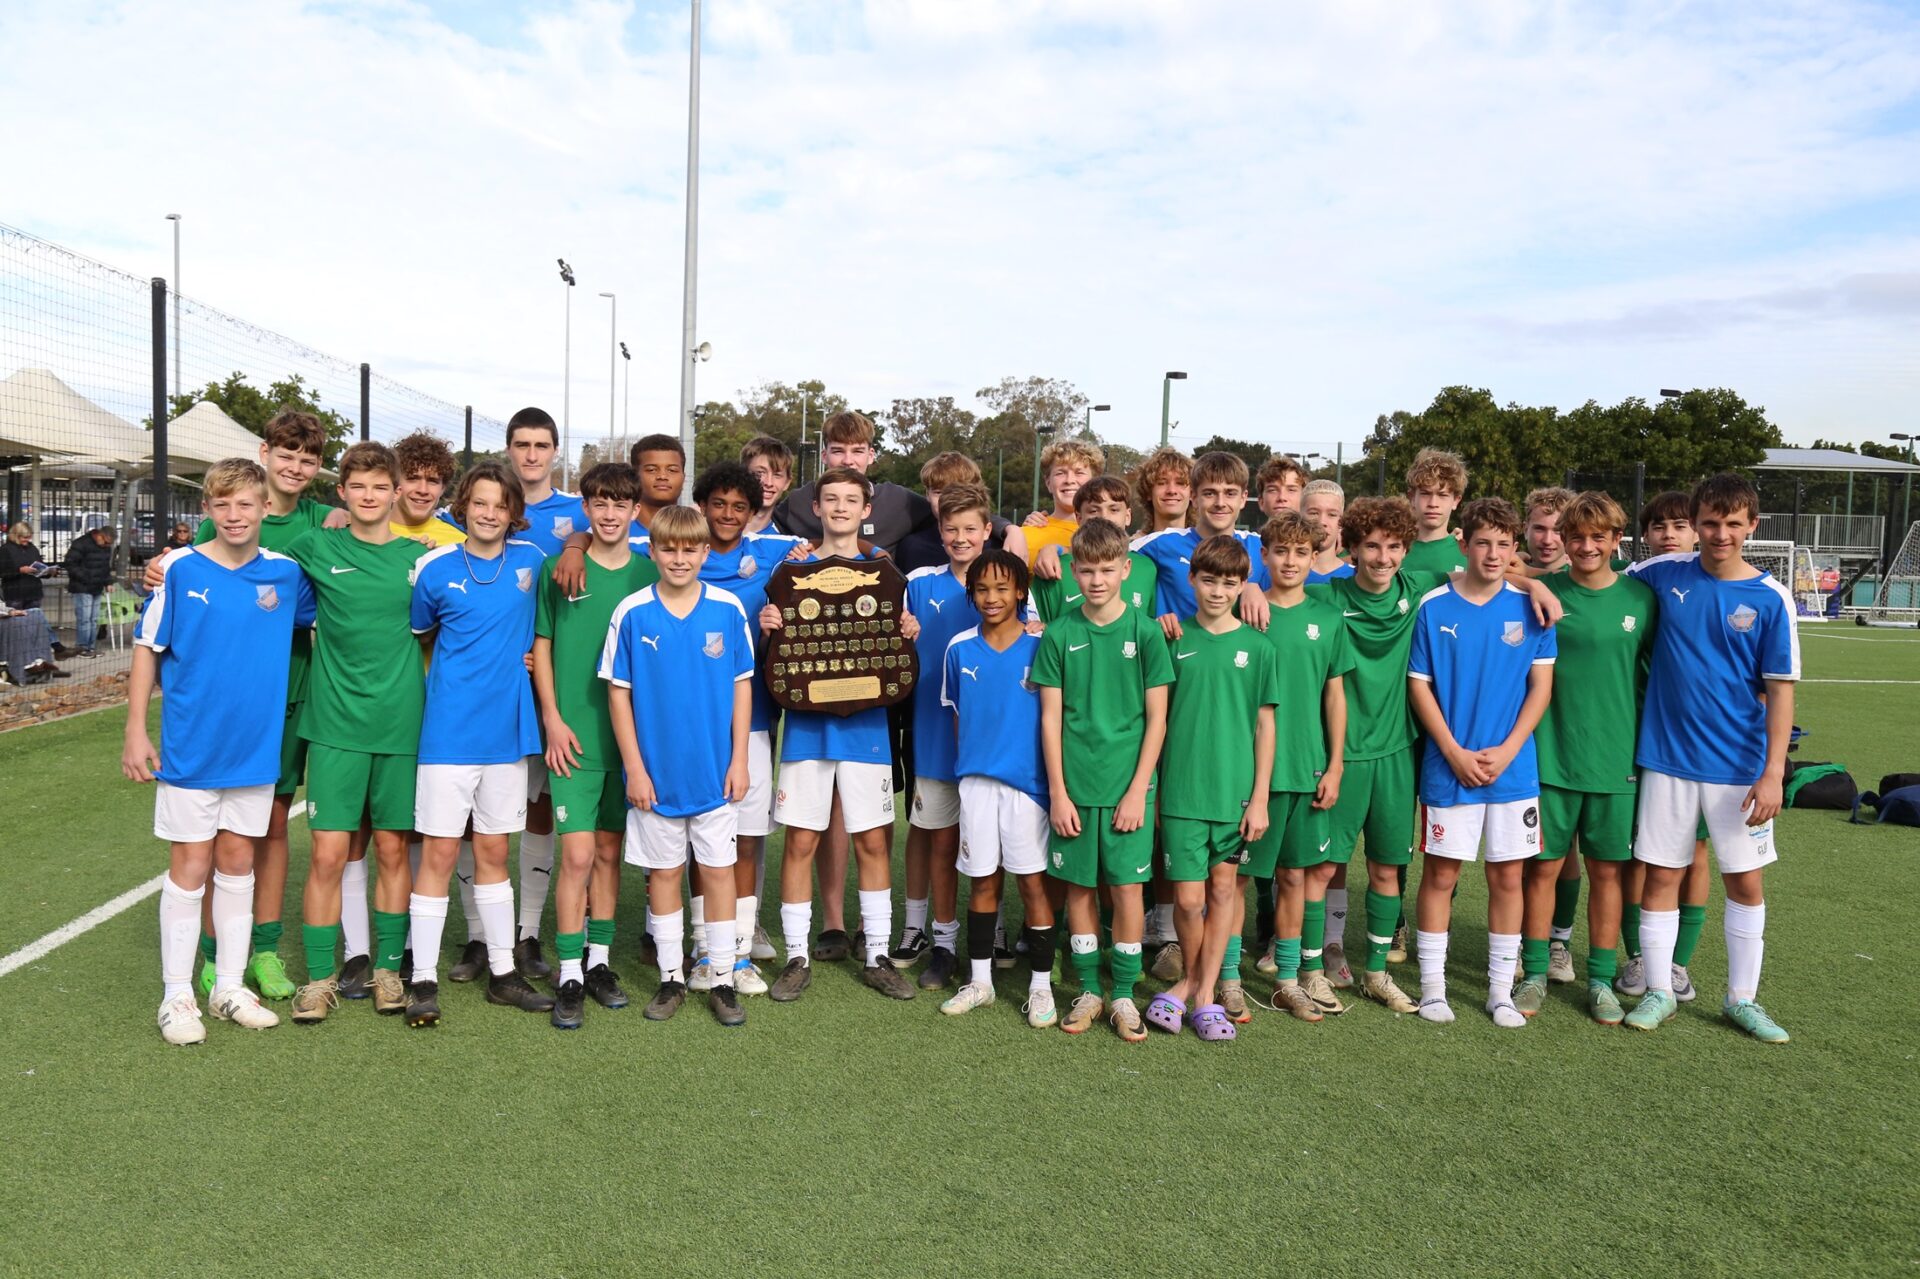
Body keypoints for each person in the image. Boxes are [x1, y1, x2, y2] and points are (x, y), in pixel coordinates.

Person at [122, 457, 315, 1045]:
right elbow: (147, 649)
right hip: (192, 749)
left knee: (237, 866)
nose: (235, 515)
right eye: (222, 505)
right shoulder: (178, 569)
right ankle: (176, 995)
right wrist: (135, 729)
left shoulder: (285, 575)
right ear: (206, 510)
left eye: (245, 504)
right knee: (191, 869)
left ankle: (229, 985)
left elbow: (340, 605)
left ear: (264, 509)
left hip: (256, 750)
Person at [146, 409, 337, 1002]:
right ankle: (209, 957)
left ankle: (263, 950)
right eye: (287, 455)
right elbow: (185, 582)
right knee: (222, 835)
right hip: (222, 706)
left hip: (291, 694)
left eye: (308, 459)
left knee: (272, 824)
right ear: (264, 453)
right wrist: (159, 568)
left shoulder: (322, 522)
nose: (297, 467)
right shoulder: (218, 527)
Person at [1621, 473, 1797, 1043]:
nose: (1720, 534)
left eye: (1733, 524)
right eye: (1710, 523)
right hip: (1667, 760)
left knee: (1744, 882)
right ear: (1695, 523)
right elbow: (1587, 580)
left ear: (1753, 525)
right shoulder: (1660, 573)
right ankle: (1658, 990)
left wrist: (1773, 773)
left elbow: (1780, 691)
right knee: (1662, 877)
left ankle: (1742, 999)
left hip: (1739, 771)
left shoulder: (1771, 598)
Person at [768, 411, 932, 958]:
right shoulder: (788, 572)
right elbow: (779, 655)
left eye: (851, 501)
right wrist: (770, 628)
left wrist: (907, 629)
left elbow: (895, 640)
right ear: (814, 508)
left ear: (868, 510)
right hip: (808, 726)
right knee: (801, 837)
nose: (840, 509)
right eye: (830, 499)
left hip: (868, 724)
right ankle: (798, 953)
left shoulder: (887, 574)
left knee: (872, 837)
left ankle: (879, 950)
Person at [277, 442, 431, 1022]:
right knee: (328, 853)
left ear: (396, 495)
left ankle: (389, 971)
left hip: (400, 724)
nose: (369, 497)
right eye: (357, 487)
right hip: (335, 724)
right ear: (341, 493)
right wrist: (172, 561)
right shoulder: (315, 545)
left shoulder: (419, 559)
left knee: (393, 849)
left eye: (379, 487)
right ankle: (319, 980)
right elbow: (244, 558)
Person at [403, 461, 555, 1027]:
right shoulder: (434, 570)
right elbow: (423, 635)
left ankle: (502, 972)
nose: (489, 514)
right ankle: (421, 978)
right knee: (440, 855)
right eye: (480, 503)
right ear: (462, 505)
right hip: (448, 733)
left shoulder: (533, 562)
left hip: (508, 735)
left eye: (500, 505)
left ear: (514, 513)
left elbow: (548, 627)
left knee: (494, 853)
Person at [602, 504, 754, 1027]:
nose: (680, 558)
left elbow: (741, 687)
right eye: (669, 548)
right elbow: (619, 697)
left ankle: (722, 977)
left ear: (705, 552)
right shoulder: (632, 612)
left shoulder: (728, 609)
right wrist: (635, 769)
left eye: (691, 549)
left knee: (717, 873)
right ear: (653, 549)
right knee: (664, 874)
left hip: (715, 775)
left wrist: (740, 759)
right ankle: (671, 977)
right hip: (656, 777)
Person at [1407, 498, 1557, 1029]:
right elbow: (1419, 685)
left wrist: (1513, 746)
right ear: (1463, 544)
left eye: (1502, 543)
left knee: (1507, 878)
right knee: (1441, 874)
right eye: (1482, 542)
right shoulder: (1433, 607)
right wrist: (1450, 749)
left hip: (1512, 770)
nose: (1492, 553)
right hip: (1449, 767)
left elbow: (1541, 685)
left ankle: (1499, 992)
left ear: (1514, 549)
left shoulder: (1532, 607)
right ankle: (1432, 989)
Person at [1031, 518, 1173, 1041]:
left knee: (1128, 889)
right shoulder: (1061, 631)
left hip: (1128, 789)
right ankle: (1089, 988)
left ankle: (1124, 995)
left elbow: (1157, 718)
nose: (1095, 580)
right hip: (1075, 788)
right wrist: (1059, 793)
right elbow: (1050, 718)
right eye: (1086, 570)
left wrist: (1139, 789)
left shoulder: (1146, 631)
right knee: (1079, 890)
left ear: (1125, 570)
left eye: (1106, 570)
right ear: (1073, 571)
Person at [531, 462, 659, 1029]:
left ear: (636, 513)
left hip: (627, 741)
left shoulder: (650, 573)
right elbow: (543, 647)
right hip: (574, 737)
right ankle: (569, 972)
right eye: (599, 505)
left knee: (609, 853)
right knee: (578, 854)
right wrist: (552, 719)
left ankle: (600, 961)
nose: (609, 515)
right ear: (586, 508)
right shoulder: (559, 571)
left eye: (620, 506)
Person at [1248, 512, 1385, 1019]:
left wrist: (1335, 766)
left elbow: (1335, 696)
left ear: (1314, 557)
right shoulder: (1246, 611)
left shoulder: (1327, 616)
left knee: (1297, 876)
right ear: (1264, 555)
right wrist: (1246, 587)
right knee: (1234, 880)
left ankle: (1293, 976)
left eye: (1301, 552)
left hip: (1307, 768)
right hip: (1249, 772)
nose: (1290, 561)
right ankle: (1221, 980)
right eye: (1280, 551)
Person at [1141, 535, 1277, 1043]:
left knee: (1224, 891)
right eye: (1209, 580)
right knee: (1188, 898)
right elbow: (1156, 718)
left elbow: (1266, 727)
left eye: (1230, 582)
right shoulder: (1171, 638)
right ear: (1192, 580)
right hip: (1181, 793)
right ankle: (1195, 983)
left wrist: (1260, 796)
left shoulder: (1259, 647)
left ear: (1244, 585)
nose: (1218, 591)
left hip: (1236, 794)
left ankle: (1199, 994)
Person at [1532, 492, 1655, 1025]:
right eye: (1575, 536)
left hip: (1616, 760)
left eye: (1597, 537)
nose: (1586, 546)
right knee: (1542, 871)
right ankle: (1535, 973)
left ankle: (1601, 981)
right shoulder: (1541, 593)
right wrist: (1528, 579)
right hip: (1549, 756)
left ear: (1615, 540)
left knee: (1609, 874)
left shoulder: (1640, 600)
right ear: (1562, 538)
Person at [937, 549, 1059, 1025]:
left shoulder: (1040, 645)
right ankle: (981, 982)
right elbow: (958, 719)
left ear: (1021, 592)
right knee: (983, 881)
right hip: (976, 786)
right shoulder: (959, 648)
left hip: (1028, 787)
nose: (991, 597)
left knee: (1031, 883)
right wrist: (969, 772)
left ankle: (1042, 986)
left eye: (1002, 588)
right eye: (982, 589)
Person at [893, 483, 998, 988]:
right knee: (937, 841)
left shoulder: (1003, 583)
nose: (960, 538)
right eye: (951, 529)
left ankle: (991, 930)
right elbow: (894, 638)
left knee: (989, 841)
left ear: (988, 532)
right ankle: (940, 939)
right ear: (940, 532)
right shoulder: (919, 583)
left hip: (992, 741)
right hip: (934, 734)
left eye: (970, 529)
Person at [1614, 491, 1714, 1000]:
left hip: (1699, 740)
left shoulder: (1709, 579)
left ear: (1695, 530)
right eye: (1658, 527)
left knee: (1694, 851)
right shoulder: (1638, 581)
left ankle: (1677, 963)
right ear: (1644, 536)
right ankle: (1638, 956)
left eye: (1679, 525)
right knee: (1641, 850)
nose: (1668, 535)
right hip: (1640, 733)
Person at [499, 408, 586, 983]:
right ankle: (483, 939)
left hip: (555, 688)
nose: (531, 454)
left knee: (540, 810)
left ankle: (528, 933)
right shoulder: (487, 504)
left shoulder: (579, 514)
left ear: (555, 451)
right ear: (508, 448)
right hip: (496, 688)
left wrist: (576, 540)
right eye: (521, 444)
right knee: (477, 818)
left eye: (541, 445)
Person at [1518, 485, 1580, 986]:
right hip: (1529, 731)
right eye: (1539, 526)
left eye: (1560, 528)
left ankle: (1559, 938)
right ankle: (1524, 940)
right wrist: (1531, 580)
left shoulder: (1601, 577)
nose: (1549, 537)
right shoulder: (1511, 578)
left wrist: (1536, 580)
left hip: (1581, 731)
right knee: (1529, 847)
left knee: (1571, 850)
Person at [1131, 451, 1273, 636]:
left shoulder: (1259, 546)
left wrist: (1251, 584)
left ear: (1244, 498)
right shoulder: (1162, 543)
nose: (1220, 503)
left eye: (1230, 493)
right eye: (1209, 493)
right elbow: (1109, 561)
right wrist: (1151, 620)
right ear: (1194, 497)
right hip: (1177, 656)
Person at [771, 411, 934, 553]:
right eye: (838, 451)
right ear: (824, 455)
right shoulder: (799, 501)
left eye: (857, 451)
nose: (848, 461)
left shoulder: (898, 501)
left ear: (870, 456)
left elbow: (946, 524)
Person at [1029, 477, 1157, 625]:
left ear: (1127, 516)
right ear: (1078, 518)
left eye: (1114, 509)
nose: (1104, 517)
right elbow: (1035, 631)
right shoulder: (1052, 568)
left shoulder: (1147, 568)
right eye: (1094, 510)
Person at [896, 451, 1028, 572]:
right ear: (927, 494)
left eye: (956, 491)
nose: (946, 500)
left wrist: (1013, 530)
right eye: (938, 492)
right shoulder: (911, 548)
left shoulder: (1000, 545)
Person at [1021, 438, 1104, 567]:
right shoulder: (1025, 536)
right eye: (1060, 473)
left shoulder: (1109, 532)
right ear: (1048, 483)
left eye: (1079, 472)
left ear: (1095, 482)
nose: (1069, 480)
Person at [390, 432, 467, 547]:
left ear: (443, 488)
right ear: (394, 482)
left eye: (432, 481)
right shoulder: (365, 533)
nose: (423, 490)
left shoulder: (460, 544)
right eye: (413, 479)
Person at [4, 521, 66, 662]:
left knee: (36, 622)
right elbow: (3, 572)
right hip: (15, 592)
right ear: (16, 536)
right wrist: (19, 571)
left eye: (28, 538)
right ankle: (53, 647)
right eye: (23, 538)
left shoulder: (32, 548)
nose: (26, 541)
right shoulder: (6, 550)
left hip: (33, 590)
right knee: (18, 626)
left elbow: (38, 567)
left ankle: (40, 652)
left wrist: (48, 572)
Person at [1402, 448, 1468, 576]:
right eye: (1425, 494)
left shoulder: (1469, 552)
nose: (1433, 504)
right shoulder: (1390, 550)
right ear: (1411, 497)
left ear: (1456, 501)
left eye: (1442, 495)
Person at [62, 524, 115, 655]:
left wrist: (108, 582)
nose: (107, 546)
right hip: (82, 586)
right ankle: (82, 647)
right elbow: (70, 563)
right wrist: (86, 576)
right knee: (84, 619)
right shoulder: (81, 543)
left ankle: (91, 646)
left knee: (94, 619)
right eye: (106, 542)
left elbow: (105, 567)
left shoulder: (105, 548)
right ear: (100, 536)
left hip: (96, 586)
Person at [629, 434, 686, 534]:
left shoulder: (699, 533)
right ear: (634, 476)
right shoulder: (605, 529)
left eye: (672, 470)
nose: (662, 476)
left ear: (683, 478)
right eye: (651, 470)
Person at [1301, 480, 1352, 584]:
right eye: (1314, 513)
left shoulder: (1356, 577)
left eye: (1332, 514)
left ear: (1341, 521)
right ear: (1300, 517)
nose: (1322, 522)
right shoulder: (1275, 574)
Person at [1132, 446, 1192, 534]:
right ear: (1148, 491)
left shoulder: (1206, 546)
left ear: (1192, 493)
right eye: (1162, 483)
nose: (1171, 491)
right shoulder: (1135, 546)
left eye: (1180, 483)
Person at [741, 436, 794, 535]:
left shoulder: (786, 544)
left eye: (777, 475)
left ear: (787, 483)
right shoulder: (709, 531)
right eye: (760, 473)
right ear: (743, 475)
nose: (768, 483)